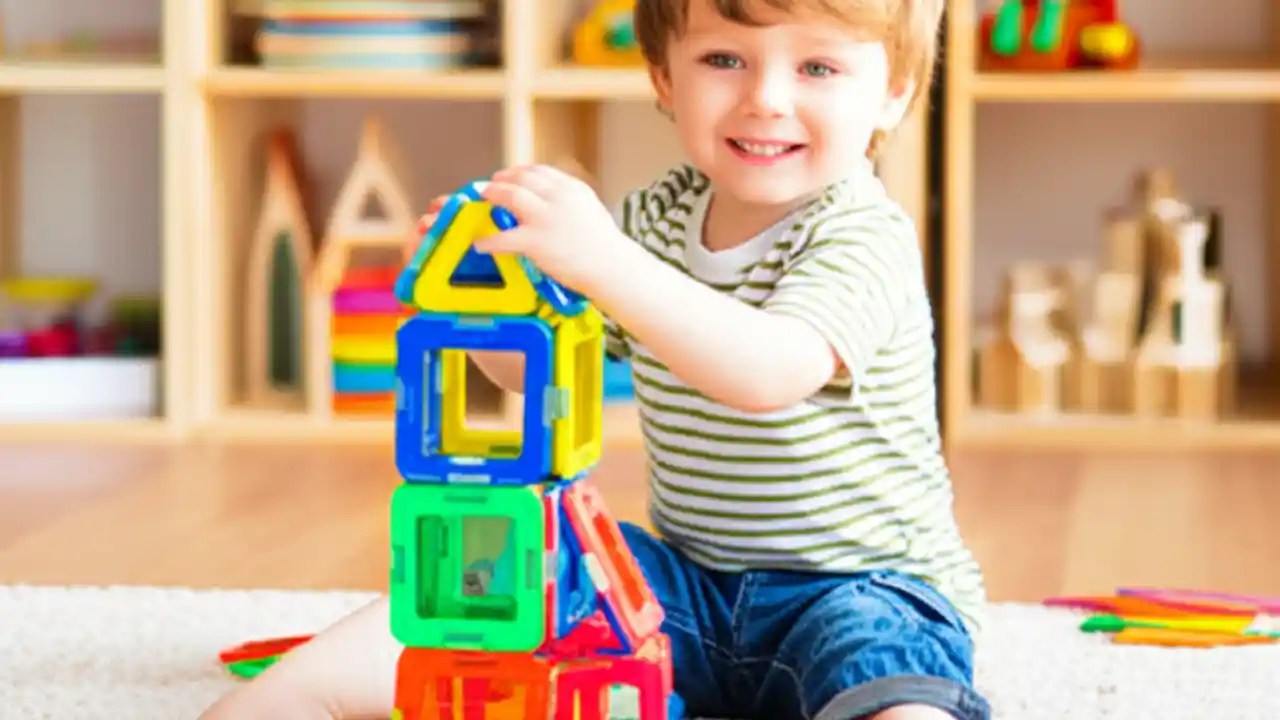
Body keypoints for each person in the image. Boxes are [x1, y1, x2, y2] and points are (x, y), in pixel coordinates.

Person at [200, 0, 989, 718]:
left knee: (887, 669)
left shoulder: (860, 235)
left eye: (818, 67)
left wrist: (603, 262)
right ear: (664, 79)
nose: (766, 99)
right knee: (537, 566)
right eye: (725, 60)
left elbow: (767, 372)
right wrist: (485, 296)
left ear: (895, 92)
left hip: (865, 587)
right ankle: (310, 692)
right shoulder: (655, 219)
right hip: (688, 588)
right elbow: (536, 370)